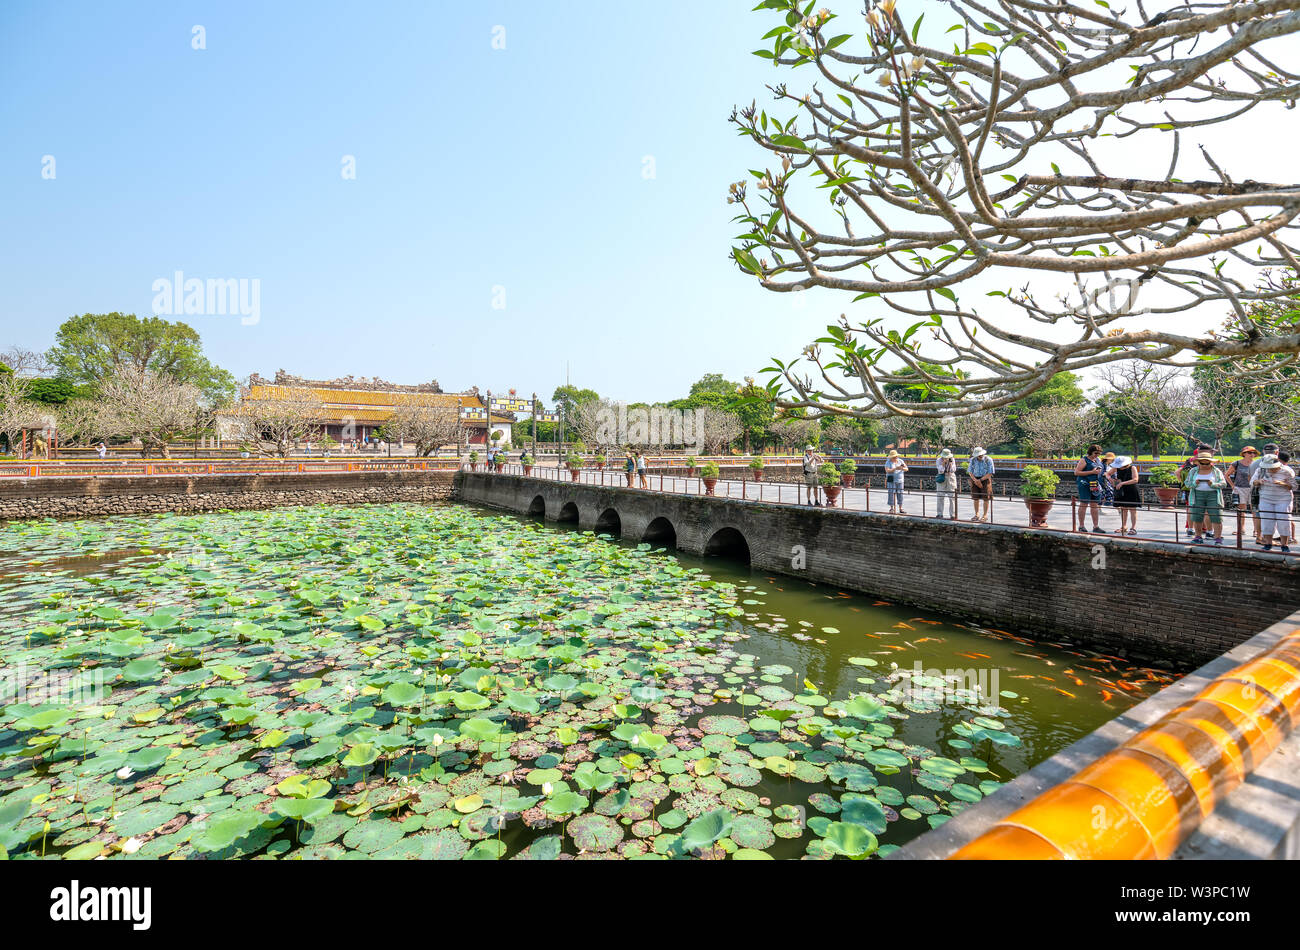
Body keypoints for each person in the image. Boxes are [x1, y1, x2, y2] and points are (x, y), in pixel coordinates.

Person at [1253, 453, 1296, 552]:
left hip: (1283, 499)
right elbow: (1253, 482)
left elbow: (1294, 486)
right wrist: (1258, 482)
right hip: (1266, 498)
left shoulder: (1286, 470)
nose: (1271, 470)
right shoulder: (1260, 470)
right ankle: (1268, 543)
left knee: (1284, 520)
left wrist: (1283, 483)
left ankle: (1284, 544)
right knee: (1267, 521)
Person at [1184, 450, 1227, 545]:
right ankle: (1198, 536)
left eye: (1206, 463)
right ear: (1198, 462)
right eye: (1202, 463)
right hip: (1197, 495)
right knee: (1197, 516)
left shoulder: (1216, 471)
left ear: (1210, 462)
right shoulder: (1193, 471)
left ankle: (1217, 538)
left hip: (1213, 495)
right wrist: (1195, 483)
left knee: (1216, 516)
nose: (1204, 465)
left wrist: (1213, 484)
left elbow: (1223, 484)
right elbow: (1187, 483)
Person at [1178, 443, 1214, 538]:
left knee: (1191, 509)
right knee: (1205, 511)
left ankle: (1191, 529)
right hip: (1199, 489)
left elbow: (1178, 472)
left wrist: (1183, 482)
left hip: (1190, 489)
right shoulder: (1206, 461)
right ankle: (1206, 530)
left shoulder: (1189, 461)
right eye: (1211, 451)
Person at [1225, 446, 1259, 543]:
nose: (1252, 455)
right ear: (1244, 454)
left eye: (1253, 453)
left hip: (1253, 488)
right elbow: (1227, 475)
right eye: (1249, 453)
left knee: (1255, 510)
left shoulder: (1256, 464)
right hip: (1240, 488)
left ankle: (1256, 530)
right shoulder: (1237, 463)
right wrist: (1232, 486)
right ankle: (1241, 529)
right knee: (1241, 509)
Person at [1249, 442, 1281, 543]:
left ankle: (1259, 536)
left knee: (1258, 515)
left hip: (1255, 492)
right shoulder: (1279, 463)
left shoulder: (1254, 463)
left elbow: (1250, 479)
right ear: (1277, 452)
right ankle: (1266, 537)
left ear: (1263, 452)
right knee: (1271, 515)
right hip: (1271, 494)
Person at [1074, 444, 1107, 533]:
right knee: (1083, 504)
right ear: (1090, 452)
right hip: (1084, 484)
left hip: (1095, 484)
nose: (1097, 455)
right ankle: (1081, 526)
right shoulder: (1084, 460)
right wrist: (1092, 472)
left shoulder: (1097, 460)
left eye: (1099, 453)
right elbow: (1076, 472)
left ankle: (1096, 526)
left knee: (1095, 505)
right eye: (1095, 453)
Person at [1111, 455, 1140, 536]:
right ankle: (1123, 526)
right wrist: (1111, 479)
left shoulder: (1132, 468)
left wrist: (1122, 483)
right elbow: (1107, 474)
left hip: (1131, 489)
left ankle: (1133, 528)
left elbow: (1135, 479)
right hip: (1121, 490)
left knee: (1132, 509)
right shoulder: (1116, 468)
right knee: (1123, 509)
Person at [968, 447, 995, 522]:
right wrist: (975, 480)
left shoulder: (988, 459)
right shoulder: (973, 460)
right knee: (975, 497)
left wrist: (980, 480)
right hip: (975, 478)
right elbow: (970, 471)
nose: (980, 456)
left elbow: (990, 472)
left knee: (986, 497)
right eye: (978, 455)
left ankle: (985, 515)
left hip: (985, 479)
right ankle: (976, 514)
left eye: (981, 454)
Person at [934, 448, 958, 519]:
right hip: (942, 477)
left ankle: (952, 514)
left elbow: (953, 470)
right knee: (940, 496)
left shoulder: (952, 460)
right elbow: (940, 470)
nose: (946, 458)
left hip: (951, 477)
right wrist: (943, 464)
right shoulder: (938, 460)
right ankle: (939, 513)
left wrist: (950, 464)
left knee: (952, 496)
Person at [884, 450, 908, 514]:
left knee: (900, 493)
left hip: (900, 480)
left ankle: (900, 508)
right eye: (894, 457)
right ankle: (891, 508)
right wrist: (895, 469)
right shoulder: (888, 462)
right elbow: (887, 470)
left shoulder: (901, 461)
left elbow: (907, 469)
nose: (895, 458)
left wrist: (902, 468)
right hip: (891, 480)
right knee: (891, 493)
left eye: (896, 456)